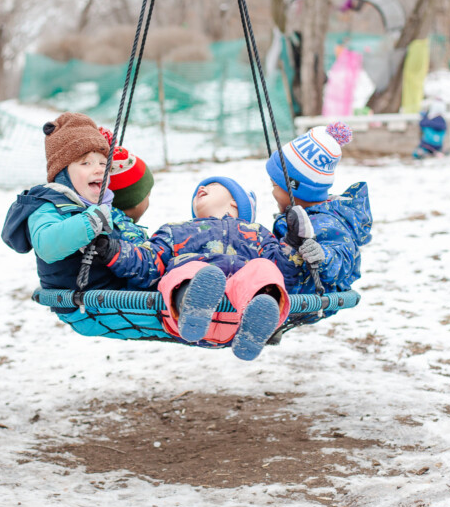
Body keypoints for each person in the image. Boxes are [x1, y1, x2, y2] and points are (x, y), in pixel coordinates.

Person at [93, 177, 314, 361]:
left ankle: (256, 324)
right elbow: (150, 264)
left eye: (212, 186)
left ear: (237, 203)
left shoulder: (256, 234)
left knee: (264, 268)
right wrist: (115, 251)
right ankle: (191, 304)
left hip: (239, 317)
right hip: (181, 318)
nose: (201, 188)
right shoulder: (175, 231)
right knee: (188, 270)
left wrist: (292, 243)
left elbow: (283, 270)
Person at [1, 112, 150, 295]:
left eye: (103, 164)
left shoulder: (101, 205)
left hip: (119, 291)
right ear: (62, 173)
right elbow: (46, 245)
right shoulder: (47, 204)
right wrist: (89, 223)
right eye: (85, 163)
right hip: (91, 304)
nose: (98, 169)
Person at [267, 122, 372, 295]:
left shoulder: (326, 222)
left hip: (310, 292)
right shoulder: (301, 213)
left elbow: (344, 257)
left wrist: (322, 255)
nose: (272, 191)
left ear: (293, 188)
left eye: (274, 185)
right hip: (284, 281)